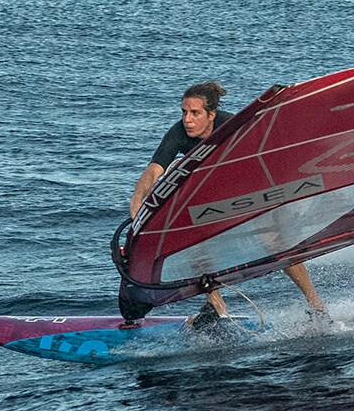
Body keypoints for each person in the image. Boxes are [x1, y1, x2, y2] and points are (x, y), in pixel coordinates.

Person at [129, 80, 330, 326]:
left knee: (275, 243)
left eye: (195, 113)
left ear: (211, 115)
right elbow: (154, 171)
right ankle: (216, 306)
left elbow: (270, 153)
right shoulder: (178, 134)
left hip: (250, 186)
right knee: (193, 244)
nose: (187, 119)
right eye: (184, 112)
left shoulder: (231, 126)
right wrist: (138, 203)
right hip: (213, 192)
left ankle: (317, 306)